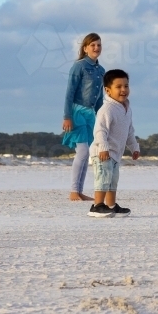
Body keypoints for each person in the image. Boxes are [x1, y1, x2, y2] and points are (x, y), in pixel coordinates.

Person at [87, 69, 140, 217]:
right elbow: (100, 130)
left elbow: (129, 131)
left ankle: (111, 205)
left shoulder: (127, 109)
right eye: (118, 87)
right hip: (102, 152)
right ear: (108, 90)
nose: (123, 90)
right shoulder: (107, 109)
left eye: (126, 86)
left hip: (115, 153)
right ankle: (97, 206)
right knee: (103, 178)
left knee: (112, 180)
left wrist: (134, 147)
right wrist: (103, 147)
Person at [62, 33, 105, 201]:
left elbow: (100, 98)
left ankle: (78, 191)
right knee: (82, 151)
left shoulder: (101, 70)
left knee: (87, 154)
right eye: (93, 45)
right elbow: (69, 93)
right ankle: (73, 191)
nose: (96, 48)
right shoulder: (79, 66)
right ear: (85, 48)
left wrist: (102, 118)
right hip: (77, 112)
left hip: (91, 115)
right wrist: (67, 116)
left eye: (99, 45)